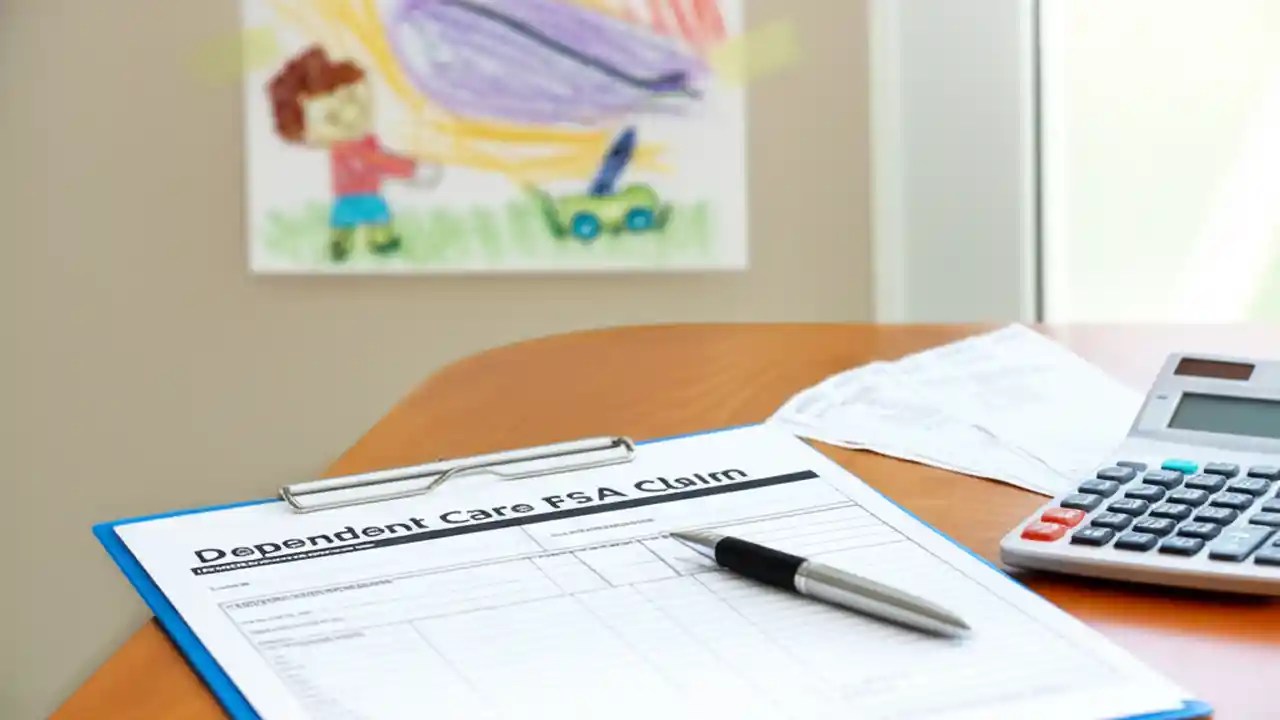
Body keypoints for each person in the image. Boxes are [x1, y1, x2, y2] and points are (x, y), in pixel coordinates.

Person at [268, 46, 420, 262]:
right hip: (359, 193)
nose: (351, 114)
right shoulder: (352, 149)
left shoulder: (365, 142)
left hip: (360, 194)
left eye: (355, 99)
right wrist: (405, 168)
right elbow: (378, 162)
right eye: (332, 119)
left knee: (360, 218)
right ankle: (354, 244)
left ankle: (362, 244)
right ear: (307, 136)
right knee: (363, 218)